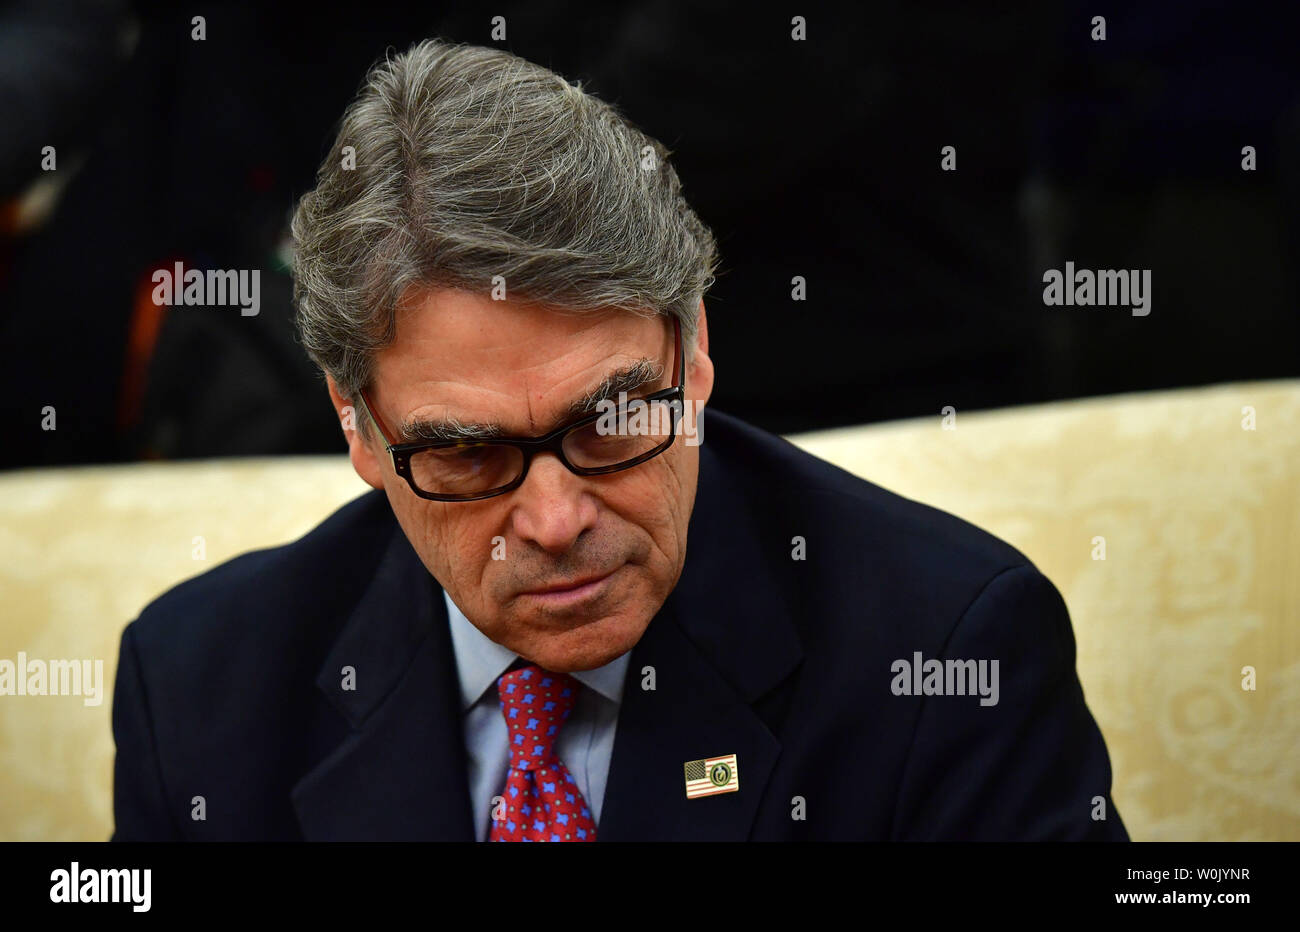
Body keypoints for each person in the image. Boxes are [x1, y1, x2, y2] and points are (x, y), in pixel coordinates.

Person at [111, 38, 1127, 841]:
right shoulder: (202, 688)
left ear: (692, 350)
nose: (555, 520)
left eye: (611, 421)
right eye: (466, 453)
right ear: (357, 426)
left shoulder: (945, 654)